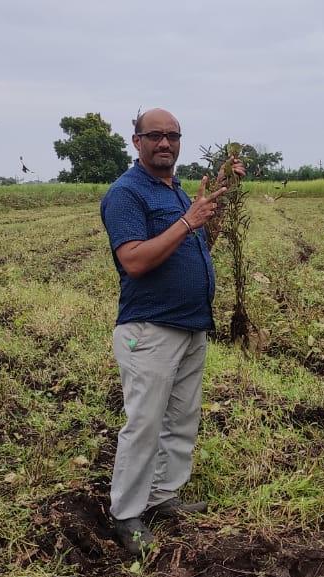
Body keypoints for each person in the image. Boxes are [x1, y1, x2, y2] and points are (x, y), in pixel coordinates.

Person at [99, 108, 244, 554]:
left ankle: (164, 496)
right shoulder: (125, 194)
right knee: (144, 423)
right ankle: (126, 515)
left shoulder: (175, 190)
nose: (165, 144)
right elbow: (135, 260)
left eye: (173, 136)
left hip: (190, 325)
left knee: (181, 418)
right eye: (155, 136)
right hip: (149, 328)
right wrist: (187, 221)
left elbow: (196, 242)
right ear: (136, 141)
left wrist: (206, 212)